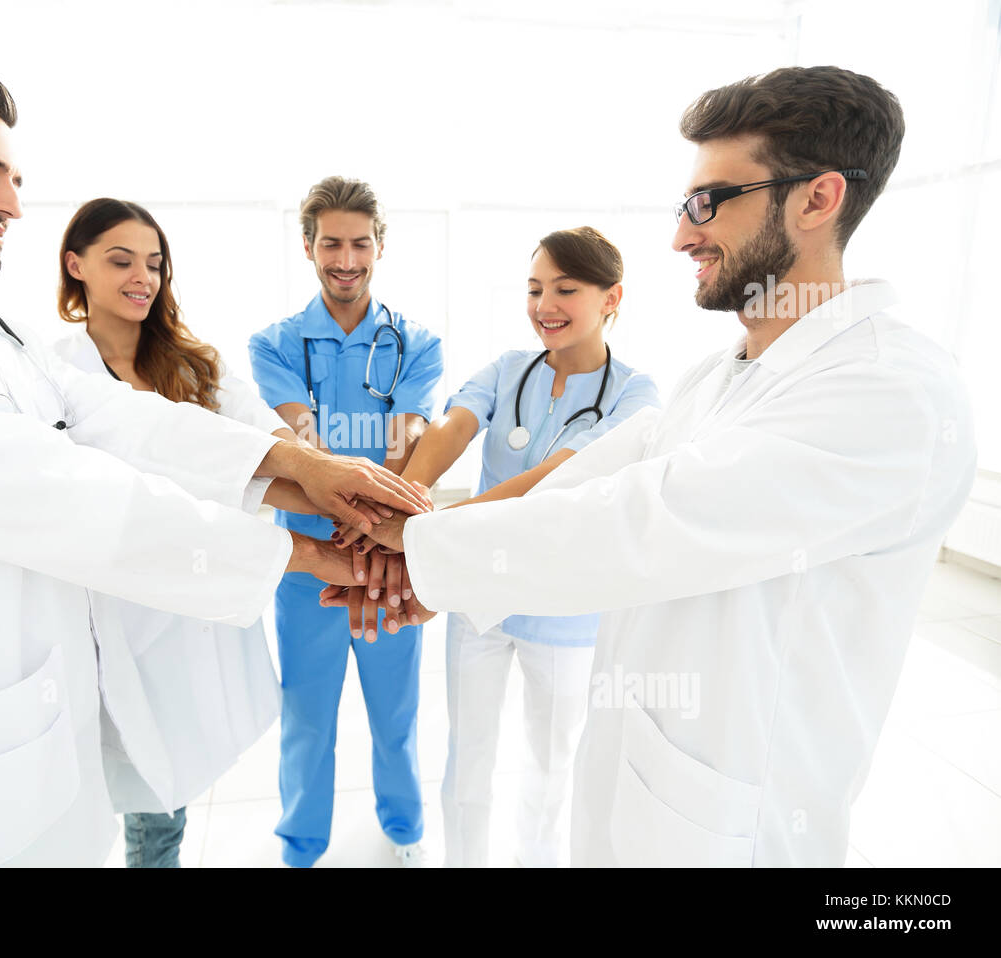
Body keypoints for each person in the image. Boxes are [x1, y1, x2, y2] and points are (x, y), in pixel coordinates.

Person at [0, 52, 430, 867]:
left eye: (15, 177)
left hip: (50, 742)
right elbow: (62, 492)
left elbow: (114, 419)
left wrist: (302, 466)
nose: (13, 205)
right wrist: (297, 551)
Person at [325, 66, 976, 866]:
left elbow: (649, 518)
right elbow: (596, 475)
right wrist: (426, 539)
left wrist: (423, 557)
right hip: (644, 783)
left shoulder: (891, 391)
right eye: (684, 205)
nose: (682, 234)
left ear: (817, 198)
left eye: (709, 202)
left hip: (738, 826)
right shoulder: (720, 375)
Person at [54, 197, 316, 867]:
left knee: (163, 796)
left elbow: (263, 436)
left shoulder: (192, 364)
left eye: (154, 263)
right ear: (74, 264)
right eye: (121, 261)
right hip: (105, 613)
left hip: (187, 604)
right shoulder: (51, 374)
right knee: (108, 798)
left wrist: (321, 477)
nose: (142, 277)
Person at [392, 227, 660, 866]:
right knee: (470, 756)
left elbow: (553, 480)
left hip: (562, 609)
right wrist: (397, 497)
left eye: (566, 288)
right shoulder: (508, 370)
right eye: (536, 288)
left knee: (549, 763)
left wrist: (429, 531)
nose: (546, 303)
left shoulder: (635, 393)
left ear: (611, 297)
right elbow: (451, 430)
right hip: (481, 600)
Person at [248, 176, 444, 867]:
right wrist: (354, 498)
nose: (346, 259)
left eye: (360, 243)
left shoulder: (416, 344)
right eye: (331, 243)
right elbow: (302, 446)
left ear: (379, 247)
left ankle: (404, 829)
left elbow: (408, 437)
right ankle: (301, 847)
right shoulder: (271, 346)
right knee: (307, 718)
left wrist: (378, 522)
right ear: (308, 246)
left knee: (396, 714)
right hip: (307, 565)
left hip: (390, 563)